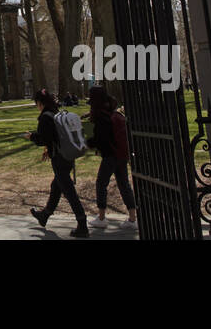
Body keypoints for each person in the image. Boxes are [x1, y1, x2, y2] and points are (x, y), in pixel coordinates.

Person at [23, 88, 89, 238]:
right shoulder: (56, 113)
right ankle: (45, 215)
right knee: (57, 186)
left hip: (59, 158)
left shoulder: (45, 117)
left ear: (40, 103)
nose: (37, 106)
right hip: (67, 154)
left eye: (37, 103)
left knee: (69, 191)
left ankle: (82, 223)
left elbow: (43, 139)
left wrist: (31, 136)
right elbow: (55, 137)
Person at [86, 87, 137, 231]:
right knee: (124, 184)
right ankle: (132, 217)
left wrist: (88, 143)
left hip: (110, 155)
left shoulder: (102, 117)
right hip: (122, 154)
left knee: (101, 183)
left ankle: (101, 217)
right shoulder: (113, 112)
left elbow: (100, 139)